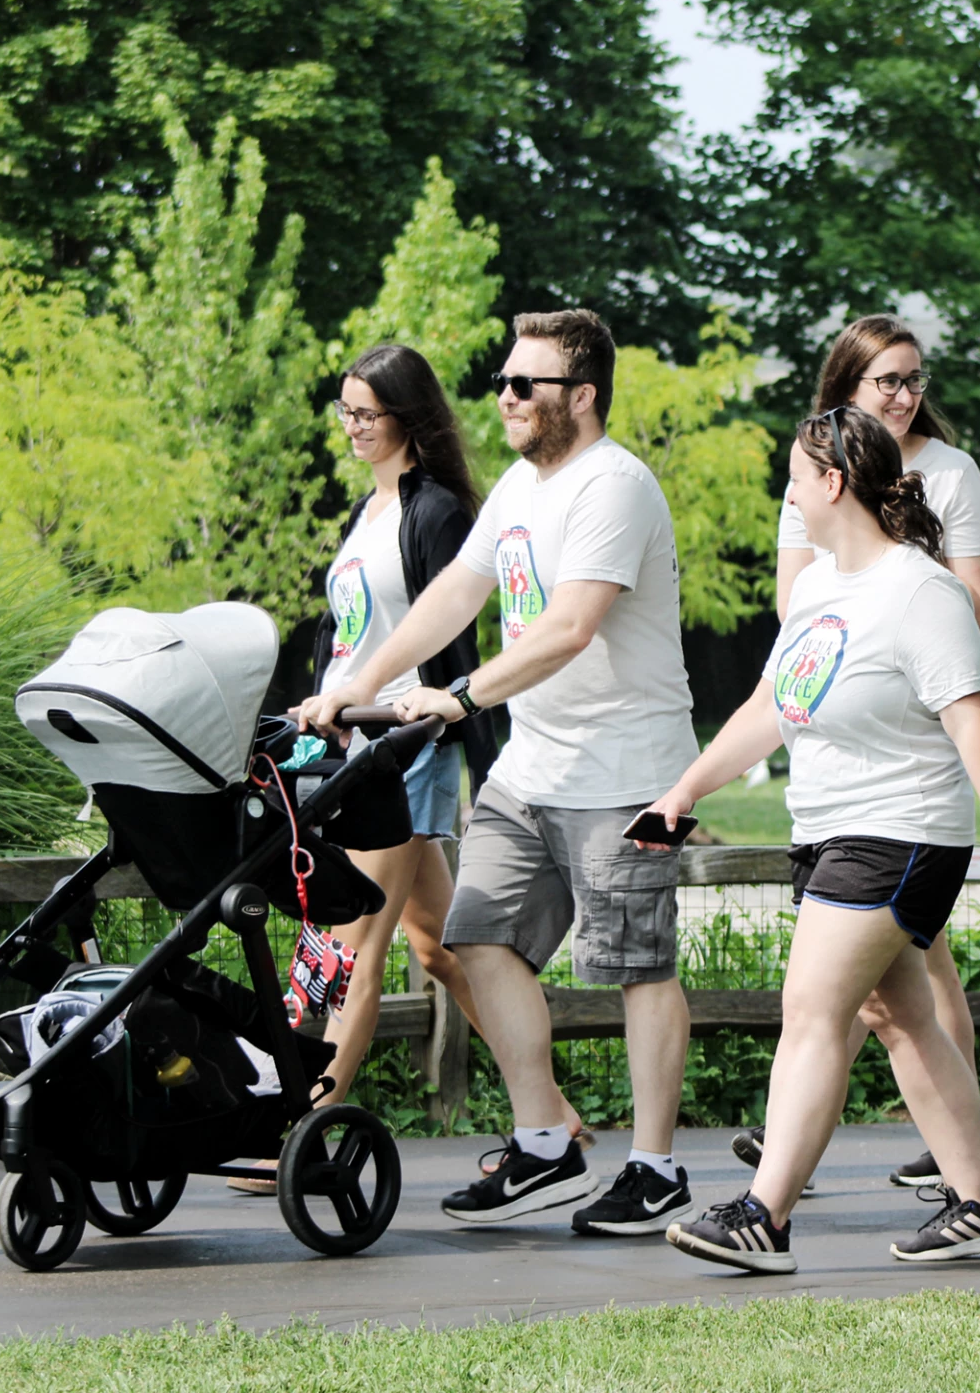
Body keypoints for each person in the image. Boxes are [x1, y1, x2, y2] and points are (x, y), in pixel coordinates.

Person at [298, 310, 701, 1237]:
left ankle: (655, 1168)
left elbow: (569, 627)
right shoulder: (521, 486)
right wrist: (361, 680)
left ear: (583, 396)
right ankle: (543, 1143)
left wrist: (461, 695)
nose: (507, 398)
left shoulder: (616, 487)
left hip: (624, 769)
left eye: (528, 385)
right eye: (504, 383)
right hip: (534, 765)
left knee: (637, 966)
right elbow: (454, 595)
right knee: (474, 942)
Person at [654, 406, 980, 1274]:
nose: (787, 494)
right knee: (898, 1016)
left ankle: (766, 1214)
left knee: (814, 1012)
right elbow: (770, 710)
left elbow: (969, 721)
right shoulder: (824, 586)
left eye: (795, 478)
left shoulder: (919, 588)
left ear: (832, 483)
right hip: (832, 830)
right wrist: (685, 790)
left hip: (900, 831)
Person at [735, 314, 980, 1192]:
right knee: (902, 998)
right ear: (846, 388)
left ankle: (778, 1182)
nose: (903, 395)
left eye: (914, 380)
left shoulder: (950, 477)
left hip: (907, 747)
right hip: (836, 743)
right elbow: (799, 614)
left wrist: (889, 616)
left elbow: (972, 606)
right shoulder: (811, 472)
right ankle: (970, 1178)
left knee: (841, 999)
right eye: (885, 381)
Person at [235, 345, 512, 1194]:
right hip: (344, 754)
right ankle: (550, 1112)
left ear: (407, 417)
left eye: (366, 413)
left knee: (350, 942)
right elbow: (346, 638)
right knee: (439, 948)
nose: (352, 427)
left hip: (401, 755)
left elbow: (450, 650)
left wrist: (435, 738)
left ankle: (302, 1126)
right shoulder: (370, 510)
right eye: (345, 411)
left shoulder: (434, 514)